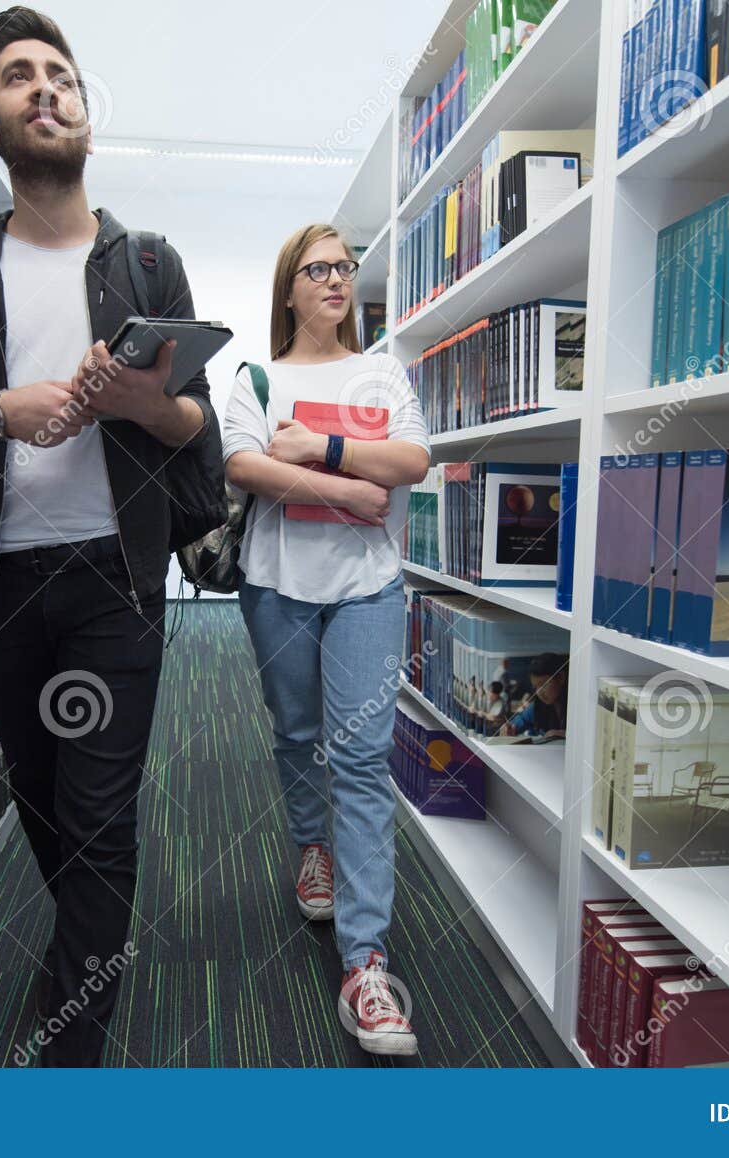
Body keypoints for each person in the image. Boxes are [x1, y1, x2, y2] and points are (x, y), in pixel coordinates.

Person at [0, 5, 218, 1067]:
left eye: (61, 76)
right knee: (41, 806)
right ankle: (76, 966)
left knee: (100, 823)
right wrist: (3, 410)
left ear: (83, 109)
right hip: (5, 588)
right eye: (20, 78)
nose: (45, 88)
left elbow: (194, 424)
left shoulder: (148, 264)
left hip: (116, 581)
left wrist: (133, 401)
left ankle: (70, 1059)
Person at [221, 223, 431, 1057]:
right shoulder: (258, 377)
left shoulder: (382, 371)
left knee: (362, 758)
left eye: (345, 266)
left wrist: (323, 448)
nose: (338, 279)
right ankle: (313, 849)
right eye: (319, 269)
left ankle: (366, 964)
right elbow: (243, 465)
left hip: (368, 589)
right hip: (277, 586)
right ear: (290, 288)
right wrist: (347, 488)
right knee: (298, 733)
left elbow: (411, 461)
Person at [502, 653, 568, 739]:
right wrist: (509, 728)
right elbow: (520, 720)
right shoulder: (537, 706)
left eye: (543, 684)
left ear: (561, 677)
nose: (539, 692)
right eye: (535, 687)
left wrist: (566, 734)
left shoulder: (577, 705)